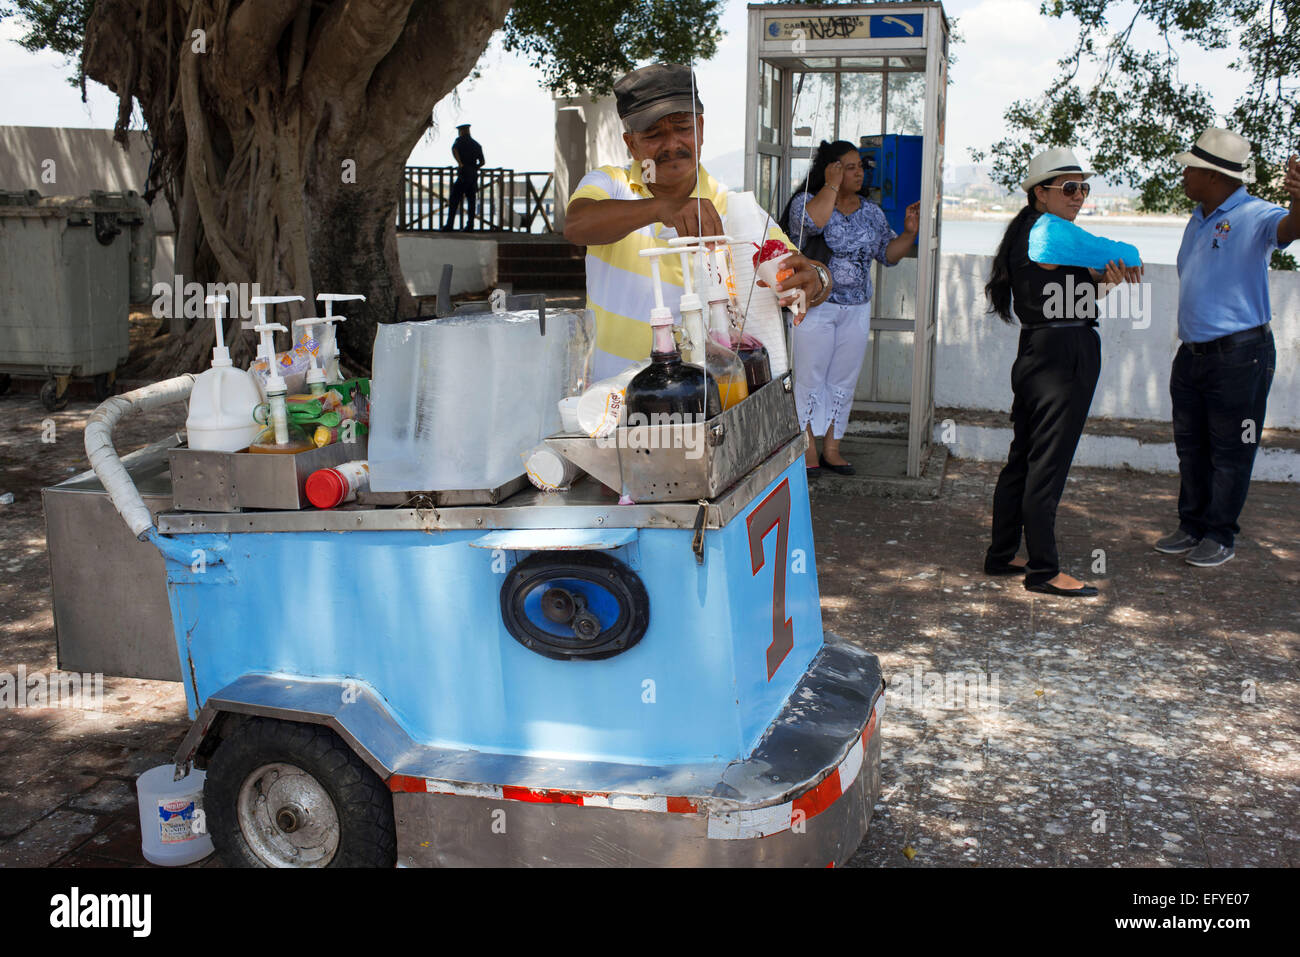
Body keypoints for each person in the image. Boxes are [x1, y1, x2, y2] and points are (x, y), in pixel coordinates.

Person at [563, 63, 831, 380]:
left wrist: (815, 279)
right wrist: (663, 207)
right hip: (611, 404)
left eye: (683, 128)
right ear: (632, 144)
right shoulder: (611, 184)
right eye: (653, 134)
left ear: (700, 130)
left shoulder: (733, 208)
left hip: (705, 402)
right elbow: (577, 224)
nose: (672, 144)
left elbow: (796, 266)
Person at [982, 147, 1141, 597]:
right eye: (1069, 188)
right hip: (1062, 356)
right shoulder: (1051, 232)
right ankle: (1044, 571)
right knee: (1046, 464)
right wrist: (1118, 267)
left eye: (1084, 188)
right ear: (1040, 194)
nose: (1079, 197)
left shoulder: (1030, 233)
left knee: (1025, 457)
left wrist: (1099, 285)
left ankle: (1003, 554)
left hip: (1042, 348)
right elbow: (1128, 252)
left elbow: (1060, 298)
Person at [1154, 128, 1300, 567]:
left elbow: (1289, 229)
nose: (1183, 174)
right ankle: (1192, 525)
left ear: (1213, 175)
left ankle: (1220, 535)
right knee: (1191, 446)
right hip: (1193, 355)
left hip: (1241, 356)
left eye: (1190, 168)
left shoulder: (1256, 214)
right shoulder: (1200, 215)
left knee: (1232, 451)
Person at [781, 141, 920, 475]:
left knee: (842, 380)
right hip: (814, 306)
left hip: (856, 308)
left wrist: (910, 233)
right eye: (850, 166)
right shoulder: (808, 203)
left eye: (861, 167)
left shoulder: (870, 212)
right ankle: (807, 446)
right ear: (832, 169)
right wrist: (830, 186)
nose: (859, 173)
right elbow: (810, 225)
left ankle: (833, 446)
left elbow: (887, 254)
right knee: (810, 379)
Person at [442, 123, 484, 231]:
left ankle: (449, 225)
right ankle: (470, 226)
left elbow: (454, 150)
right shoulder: (476, 144)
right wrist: (475, 167)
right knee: (471, 201)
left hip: (463, 174)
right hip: (473, 175)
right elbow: (483, 162)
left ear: (461, 131)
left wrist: (460, 163)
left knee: (454, 199)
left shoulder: (459, 141)